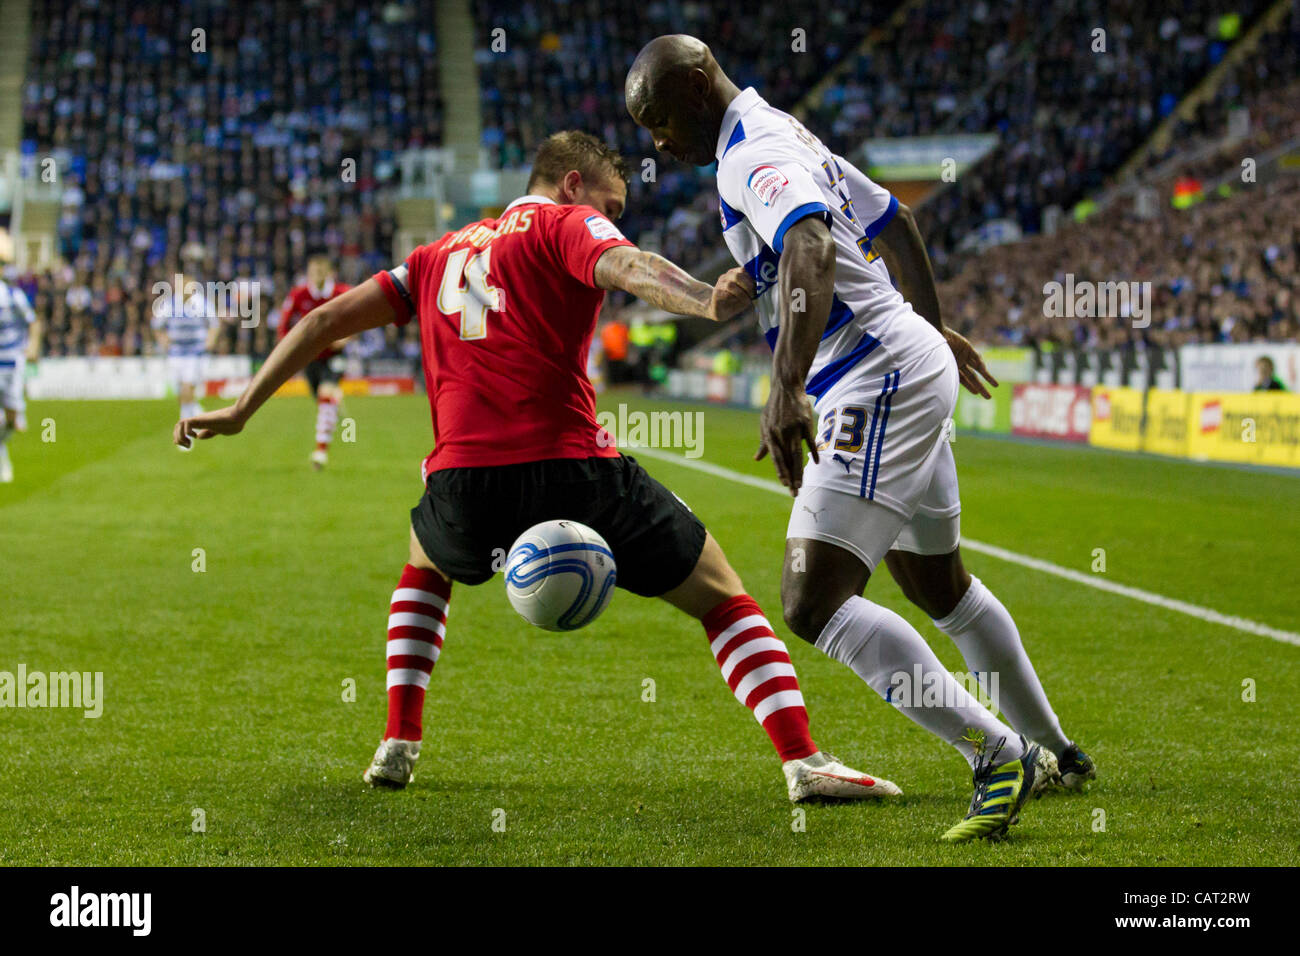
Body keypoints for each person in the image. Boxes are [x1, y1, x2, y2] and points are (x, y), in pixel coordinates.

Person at [175, 130, 899, 804]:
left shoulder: (432, 256)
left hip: (461, 480)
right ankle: (803, 761)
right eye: (611, 205)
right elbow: (630, 265)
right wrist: (705, 300)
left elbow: (322, 322)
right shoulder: (564, 223)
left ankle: (398, 740)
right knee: (722, 593)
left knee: (423, 563)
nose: (614, 219)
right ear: (573, 183)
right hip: (570, 465)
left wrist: (241, 408)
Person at [626, 35, 1095, 842]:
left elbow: (810, 248)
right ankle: (1057, 750)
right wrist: (932, 328)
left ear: (700, 87)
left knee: (811, 600)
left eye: (662, 120)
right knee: (937, 585)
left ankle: (997, 754)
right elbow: (896, 220)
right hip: (902, 361)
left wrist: (783, 389)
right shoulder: (783, 130)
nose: (658, 143)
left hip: (872, 377)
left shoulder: (753, 152)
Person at [278, 254, 353, 470]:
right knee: (322, 398)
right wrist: (288, 349)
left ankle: (320, 451)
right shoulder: (298, 295)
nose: (316, 276)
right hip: (311, 357)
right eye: (312, 272)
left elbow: (361, 317)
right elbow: (284, 325)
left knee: (325, 393)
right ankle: (334, 406)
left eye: (320, 272)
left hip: (334, 356)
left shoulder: (342, 293)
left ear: (330, 273)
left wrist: (345, 338)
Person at [152, 271, 220, 448]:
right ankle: (196, 412)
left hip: (195, 353)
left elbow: (214, 323)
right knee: (180, 390)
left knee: (187, 386)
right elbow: (157, 326)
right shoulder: (169, 304)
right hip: (176, 353)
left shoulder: (201, 303)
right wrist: (163, 340)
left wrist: (210, 340)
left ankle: (185, 431)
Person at [0, 276, 40, 483]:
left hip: (12, 361)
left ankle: (1, 446)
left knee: (12, 421)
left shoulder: (12, 295)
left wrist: (33, 345)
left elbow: (33, 322)